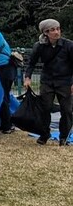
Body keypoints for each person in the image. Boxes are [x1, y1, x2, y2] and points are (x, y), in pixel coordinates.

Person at [23, 18, 73, 146]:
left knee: (66, 110)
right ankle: (44, 134)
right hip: (47, 81)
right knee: (45, 108)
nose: (56, 32)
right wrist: (27, 77)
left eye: (58, 29)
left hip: (65, 81)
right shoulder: (39, 46)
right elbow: (31, 63)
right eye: (52, 30)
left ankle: (64, 137)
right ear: (45, 32)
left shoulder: (68, 45)